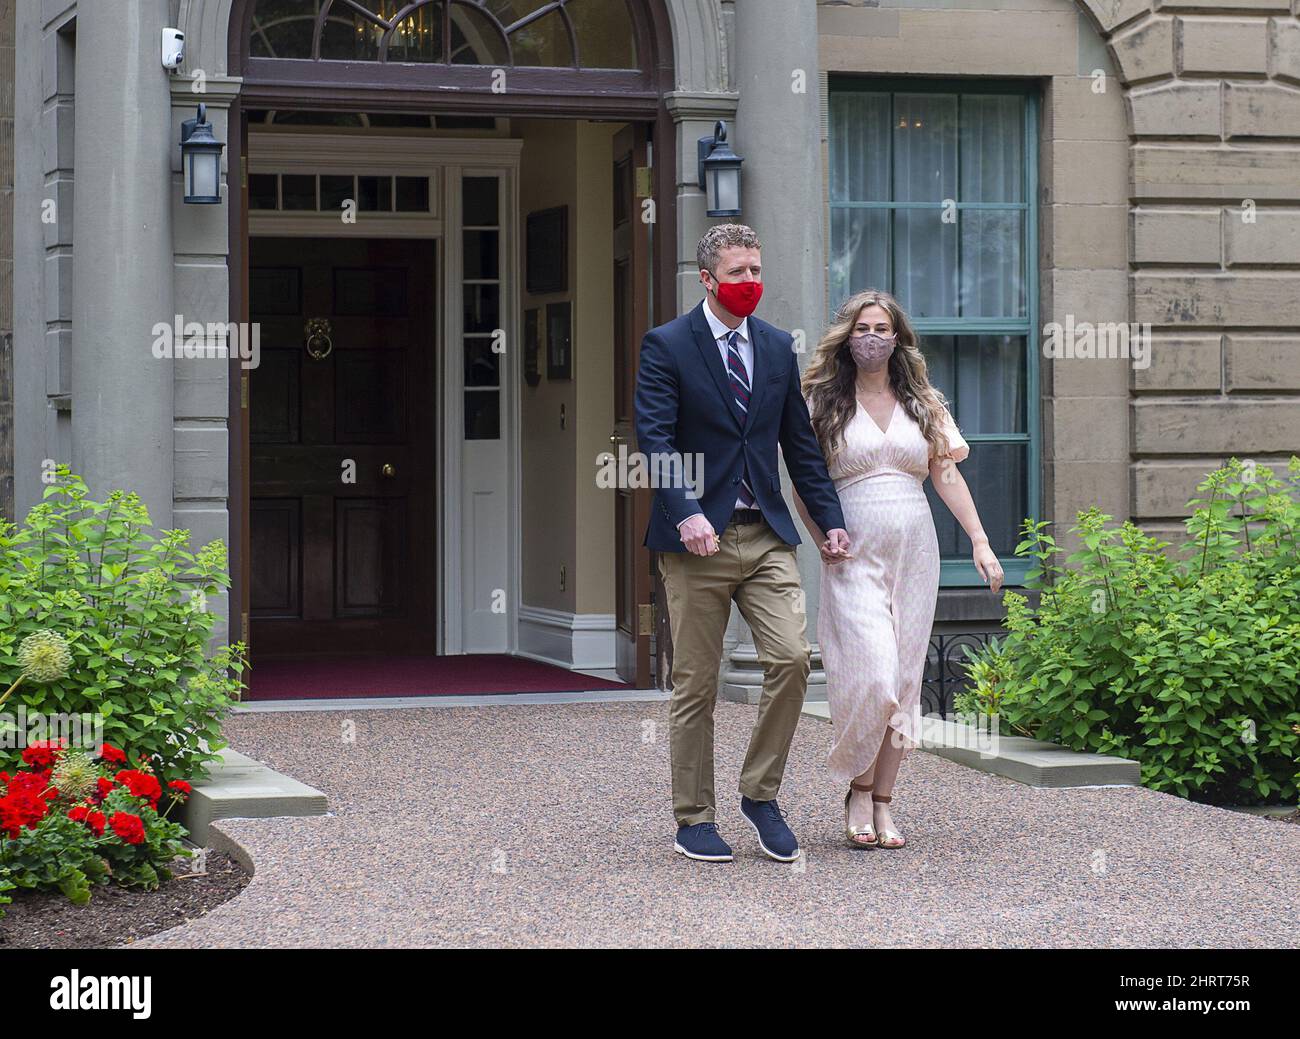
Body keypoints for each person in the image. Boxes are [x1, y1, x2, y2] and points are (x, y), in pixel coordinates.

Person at [634, 224, 852, 863]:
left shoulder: (779, 348)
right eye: (737, 274)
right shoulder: (668, 345)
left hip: (767, 537)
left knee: (790, 660)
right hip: (695, 542)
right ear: (707, 278)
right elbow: (655, 438)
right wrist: (686, 513)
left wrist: (830, 517)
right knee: (696, 684)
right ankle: (694, 817)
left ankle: (760, 794)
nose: (750, 283)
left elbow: (800, 446)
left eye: (757, 271)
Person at [795, 289, 1004, 850]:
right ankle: (857, 785)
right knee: (875, 675)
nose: (872, 337)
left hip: (916, 548)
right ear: (847, 336)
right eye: (862, 327)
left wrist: (981, 543)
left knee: (905, 684)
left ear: (897, 337)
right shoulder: (819, 400)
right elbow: (801, 481)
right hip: (852, 550)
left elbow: (948, 476)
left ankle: (881, 799)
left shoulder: (923, 401)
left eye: (882, 328)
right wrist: (821, 540)